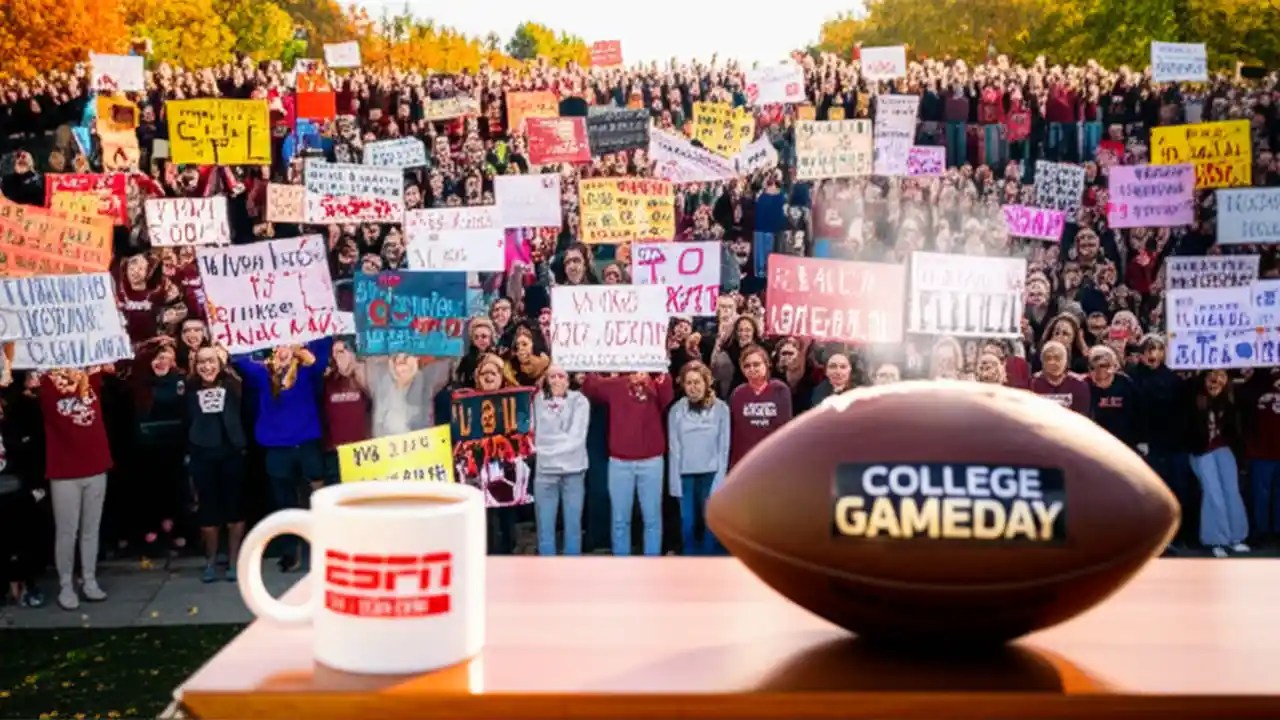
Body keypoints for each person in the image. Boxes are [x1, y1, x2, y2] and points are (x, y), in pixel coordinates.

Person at [233, 338, 333, 572]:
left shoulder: (308, 372)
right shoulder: (263, 374)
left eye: (288, 344)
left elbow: (324, 343)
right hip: (277, 449)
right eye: (278, 346)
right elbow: (239, 358)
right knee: (284, 502)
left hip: (307, 444)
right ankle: (291, 552)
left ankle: (327, 547)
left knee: (318, 498)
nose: (282, 349)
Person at [38, 367, 114, 610]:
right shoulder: (47, 382)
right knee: (67, 531)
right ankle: (65, 585)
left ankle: (89, 580)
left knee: (91, 529)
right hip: (64, 470)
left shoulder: (91, 376)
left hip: (96, 464)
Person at [582, 371, 674, 556]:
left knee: (652, 519)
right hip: (620, 461)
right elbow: (590, 387)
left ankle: (652, 566)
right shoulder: (616, 383)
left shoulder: (657, 380)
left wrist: (652, 377)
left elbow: (666, 396)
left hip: (651, 460)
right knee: (620, 520)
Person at [185, 347, 247, 583]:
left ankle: (234, 560)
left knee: (235, 509)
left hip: (232, 453)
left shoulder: (233, 384)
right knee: (208, 511)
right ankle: (210, 561)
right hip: (202, 455)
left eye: (211, 361)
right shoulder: (190, 388)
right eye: (201, 362)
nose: (206, 366)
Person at [667, 361, 731, 556]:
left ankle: (710, 567)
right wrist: (674, 483)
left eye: (697, 382)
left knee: (710, 525)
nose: (693, 387)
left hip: (711, 474)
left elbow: (724, 447)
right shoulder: (676, 410)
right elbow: (673, 447)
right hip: (685, 475)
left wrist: (720, 480)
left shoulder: (721, 409)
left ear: (706, 383)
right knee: (688, 525)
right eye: (689, 383)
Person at [1186, 370, 1250, 558]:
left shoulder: (1230, 400)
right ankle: (1216, 540)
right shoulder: (1193, 399)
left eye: (1221, 376)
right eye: (1211, 377)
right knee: (1213, 494)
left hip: (1223, 448)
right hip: (1202, 450)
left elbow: (1235, 430)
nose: (1216, 381)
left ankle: (1236, 537)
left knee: (1232, 491)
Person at [531, 365, 590, 556]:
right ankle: (547, 573)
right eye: (552, 376)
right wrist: (549, 445)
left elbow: (576, 437)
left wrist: (547, 447)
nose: (556, 380)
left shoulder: (580, 401)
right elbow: (533, 433)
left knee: (573, 527)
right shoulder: (537, 400)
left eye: (561, 376)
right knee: (545, 528)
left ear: (568, 379)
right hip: (545, 472)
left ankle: (572, 573)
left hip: (574, 471)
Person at [728, 345, 793, 469]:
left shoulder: (780, 389)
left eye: (756, 364)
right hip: (744, 462)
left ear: (767, 364)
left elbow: (785, 427)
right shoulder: (738, 394)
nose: (752, 369)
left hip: (773, 460)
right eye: (747, 366)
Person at [1086, 345, 1141, 448]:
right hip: (1094, 443)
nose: (1100, 371)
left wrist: (1140, 440)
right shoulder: (1085, 384)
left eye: (1104, 365)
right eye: (1094, 367)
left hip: (1123, 443)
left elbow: (1138, 413)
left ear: (1114, 366)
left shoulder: (1125, 383)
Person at [1030, 341, 1090, 415]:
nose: (1052, 362)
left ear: (1066, 361)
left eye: (1057, 358)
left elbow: (1082, 416)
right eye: (1048, 358)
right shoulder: (1032, 383)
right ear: (1042, 362)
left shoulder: (1079, 384)